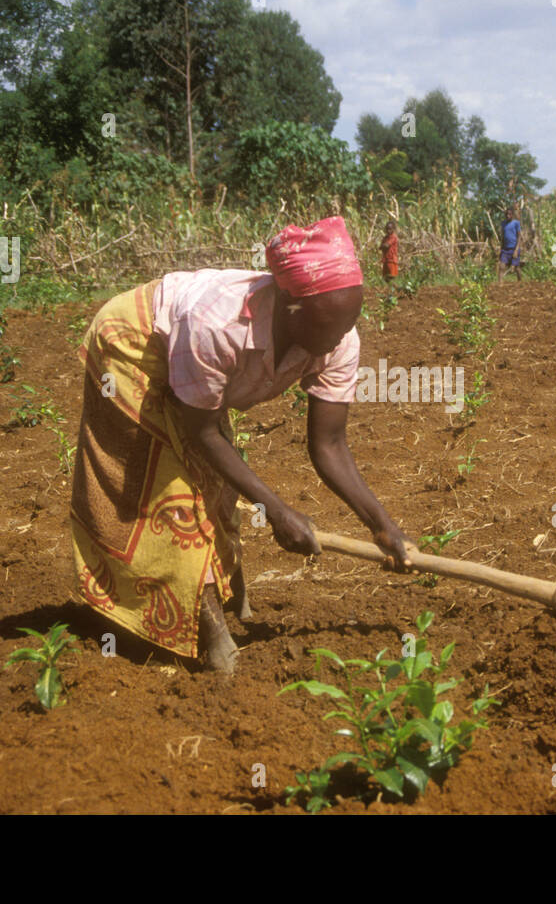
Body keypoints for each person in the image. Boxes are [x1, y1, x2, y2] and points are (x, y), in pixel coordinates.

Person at [69, 217, 415, 674]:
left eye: (350, 321)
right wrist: (276, 509)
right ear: (291, 305)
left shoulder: (338, 336)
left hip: (191, 358)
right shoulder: (218, 324)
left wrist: (381, 525)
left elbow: (329, 444)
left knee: (216, 480)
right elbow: (203, 431)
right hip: (133, 344)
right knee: (168, 492)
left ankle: (225, 592)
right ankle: (210, 632)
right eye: (330, 324)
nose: (340, 338)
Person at [497, 205, 522, 281]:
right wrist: (501, 249)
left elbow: (519, 237)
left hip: (514, 248)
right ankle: (500, 285)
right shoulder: (503, 223)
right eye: (507, 214)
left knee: (517, 268)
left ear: (512, 215)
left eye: (510, 214)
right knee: (501, 267)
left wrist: (516, 250)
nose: (508, 216)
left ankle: (520, 282)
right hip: (505, 249)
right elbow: (502, 237)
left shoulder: (516, 223)